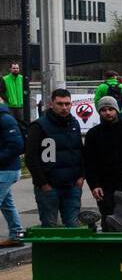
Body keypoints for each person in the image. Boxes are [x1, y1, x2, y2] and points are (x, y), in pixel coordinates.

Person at [25, 87, 84, 227]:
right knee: (50, 227)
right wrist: (43, 184)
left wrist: (81, 176)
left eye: (67, 104)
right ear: (52, 104)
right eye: (60, 104)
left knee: (73, 226)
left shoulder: (74, 124)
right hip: (49, 188)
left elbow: (79, 151)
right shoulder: (39, 126)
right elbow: (31, 158)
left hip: (72, 186)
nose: (64, 107)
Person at [0, 87, 25, 246]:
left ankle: (17, 235)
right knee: (7, 204)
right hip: (5, 169)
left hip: (6, 170)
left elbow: (17, 145)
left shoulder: (5, 118)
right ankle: (16, 235)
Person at [3, 63, 24, 130]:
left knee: (21, 124)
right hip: (10, 106)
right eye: (14, 68)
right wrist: (7, 99)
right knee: (11, 124)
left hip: (21, 106)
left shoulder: (22, 78)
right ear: (10, 69)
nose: (16, 70)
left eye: (17, 68)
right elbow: (1, 92)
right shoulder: (5, 79)